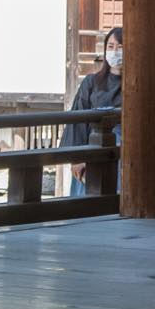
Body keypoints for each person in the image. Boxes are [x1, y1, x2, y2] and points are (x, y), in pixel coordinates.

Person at [60, 27, 123, 196]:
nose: (115, 52)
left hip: (122, 152)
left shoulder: (136, 85)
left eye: (120, 47)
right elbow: (79, 119)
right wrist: (77, 157)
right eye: (110, 47)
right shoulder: (91, 82)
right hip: (90, 148)